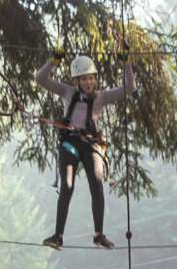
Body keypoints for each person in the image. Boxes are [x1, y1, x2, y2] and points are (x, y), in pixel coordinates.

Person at [35, 51, 134, 250]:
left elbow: (129, 88)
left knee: (97, 184)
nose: (89, 82)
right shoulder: (67, 92)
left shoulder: (101, 97)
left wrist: (127, 64)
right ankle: (58, 236)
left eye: (91, 78)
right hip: (70, 143)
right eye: (84, 79)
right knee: (67, 186)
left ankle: (99, 235)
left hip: (91, 144)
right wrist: (53, 62)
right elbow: (41, 79)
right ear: (77, 81)